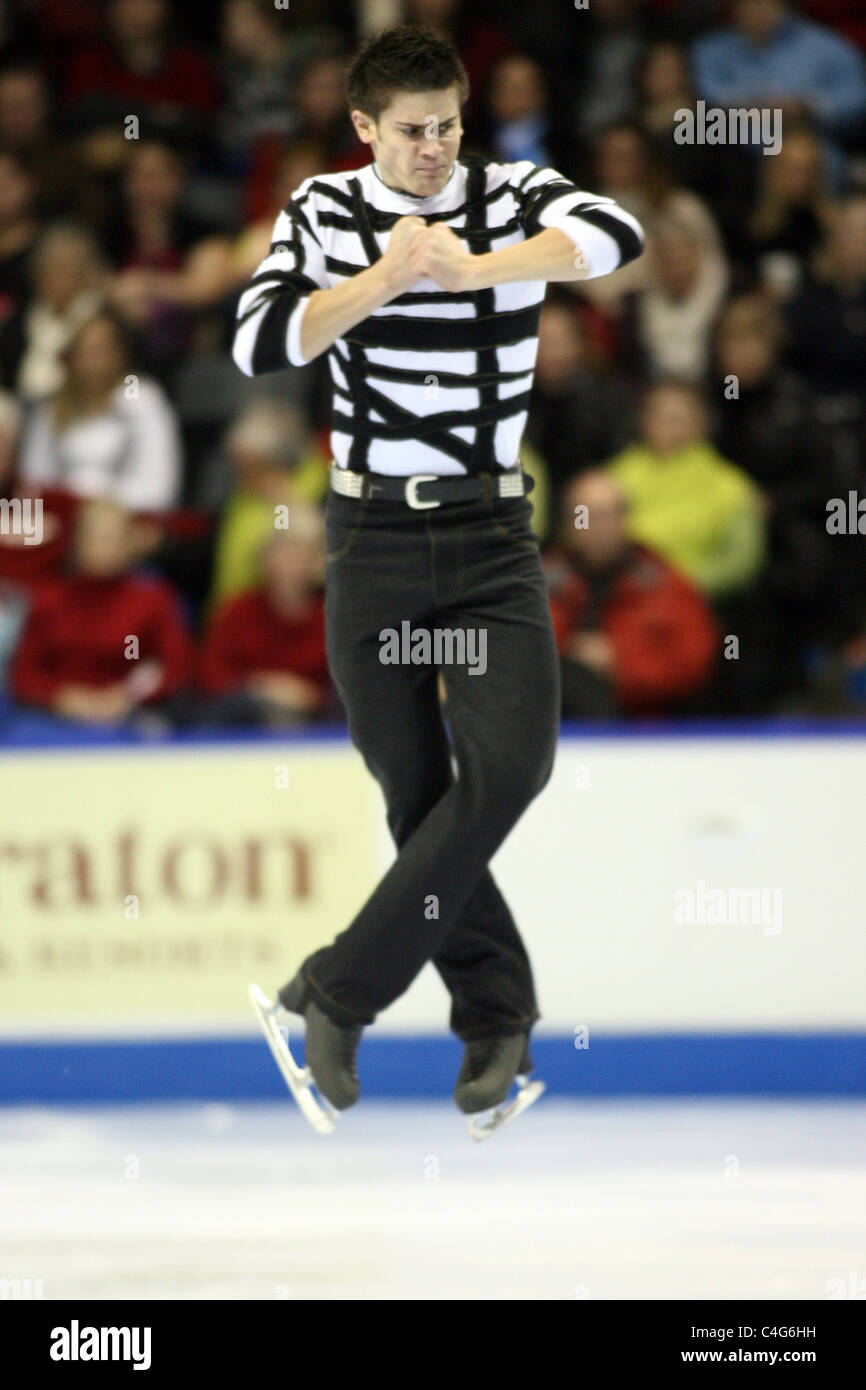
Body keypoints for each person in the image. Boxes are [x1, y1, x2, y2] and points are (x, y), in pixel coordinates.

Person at [232, 26, 644, 1124]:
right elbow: (258, 340)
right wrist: (386, 275)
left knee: (511, 768)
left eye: (447, 126)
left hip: (489, 538)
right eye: (410, 131)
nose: (432, 148)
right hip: (368, 541)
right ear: (364, 127)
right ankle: (497, 1019)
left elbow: (616, 236)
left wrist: (476, 266)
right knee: (416, 795)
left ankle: (336, 987)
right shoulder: (323, 210)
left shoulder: (510, 192)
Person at [546, 470, 719, 718]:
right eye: (584, 515)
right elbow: (513, 661)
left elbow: (695, 663)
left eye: (608, 515)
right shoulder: (539, 584)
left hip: (645, 728)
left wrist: (618, 663)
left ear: (625, 518)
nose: (597, 526)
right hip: (557, 725)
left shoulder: (663, 583)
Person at [8, 496, 190, 725]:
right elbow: (25, 674)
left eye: (112, 537)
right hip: (54, 719)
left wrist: (128, 695)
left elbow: (173, 667)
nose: (103, 546)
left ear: (129, 541)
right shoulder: (49, 600)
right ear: (76, 541)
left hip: (130, 717)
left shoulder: (153, 599)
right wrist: (62, 698)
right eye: (94, 536)